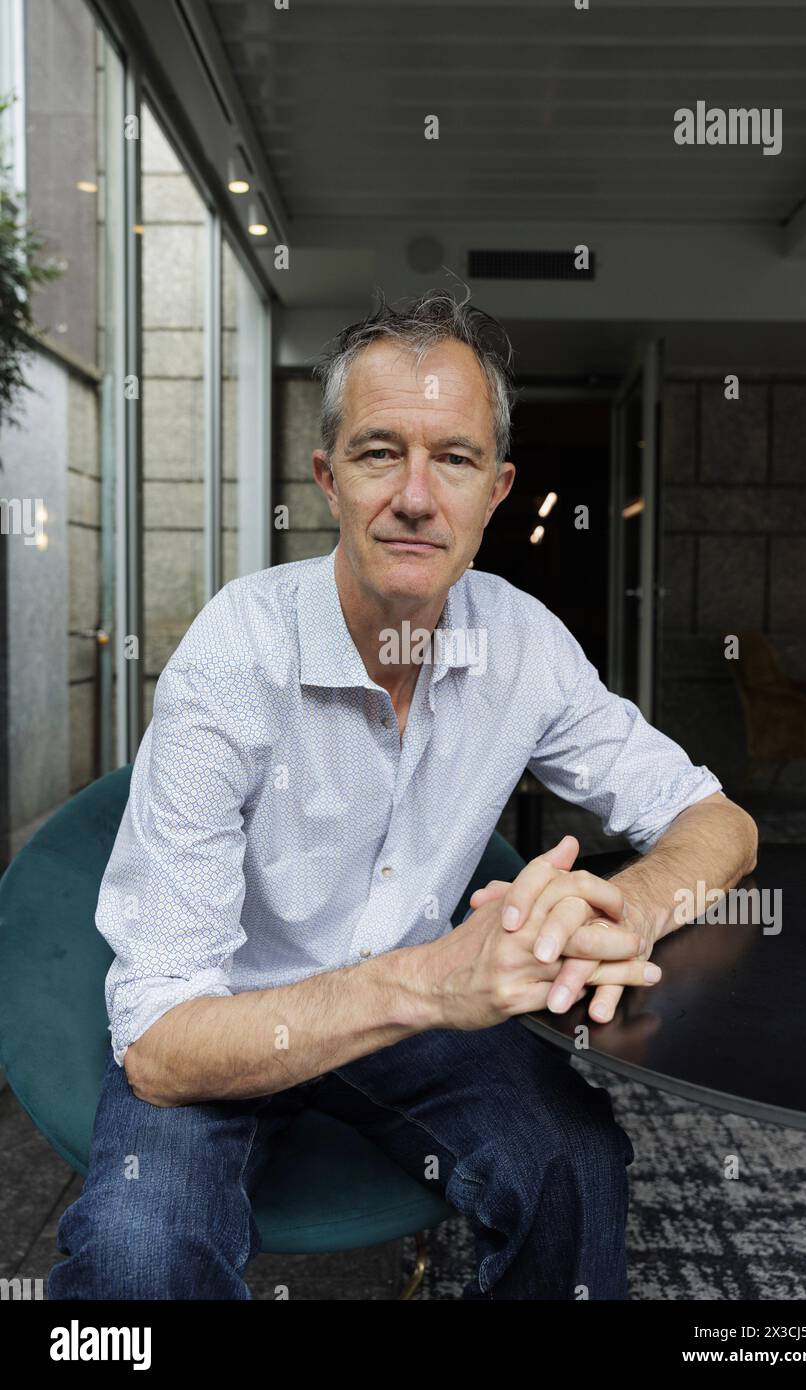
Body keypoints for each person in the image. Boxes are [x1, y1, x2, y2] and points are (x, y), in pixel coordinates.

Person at [48, 289, 757, 1301]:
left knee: (575, 1162)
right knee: (136, 1257)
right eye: (382, 452)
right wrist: (433, 984)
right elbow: (161, 1049)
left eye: (455, 459)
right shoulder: (235, 654)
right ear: (328, 478)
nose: (417, 496)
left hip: (414, 1027)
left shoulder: (523, 642)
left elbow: (718, 820)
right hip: (227, 1019)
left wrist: (632, 908)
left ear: (496, 489)